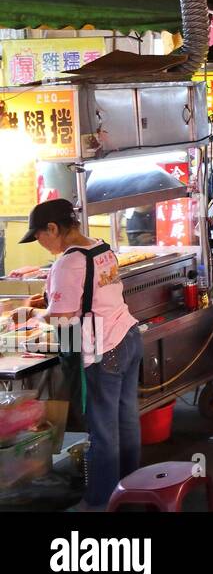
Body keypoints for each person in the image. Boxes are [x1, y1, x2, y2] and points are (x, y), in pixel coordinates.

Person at [22, 198, 141, 510]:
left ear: (53, 228)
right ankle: (131, 489)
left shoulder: (67, 263)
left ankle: (101, 502)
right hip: (128, 336)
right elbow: (91, 293)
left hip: (103, 350)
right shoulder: (100, 247)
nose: (39, 242)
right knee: (126, 420)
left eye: (39, 235)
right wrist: (48, 302)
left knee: (104, 431)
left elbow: (62, 318)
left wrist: (30, 316)